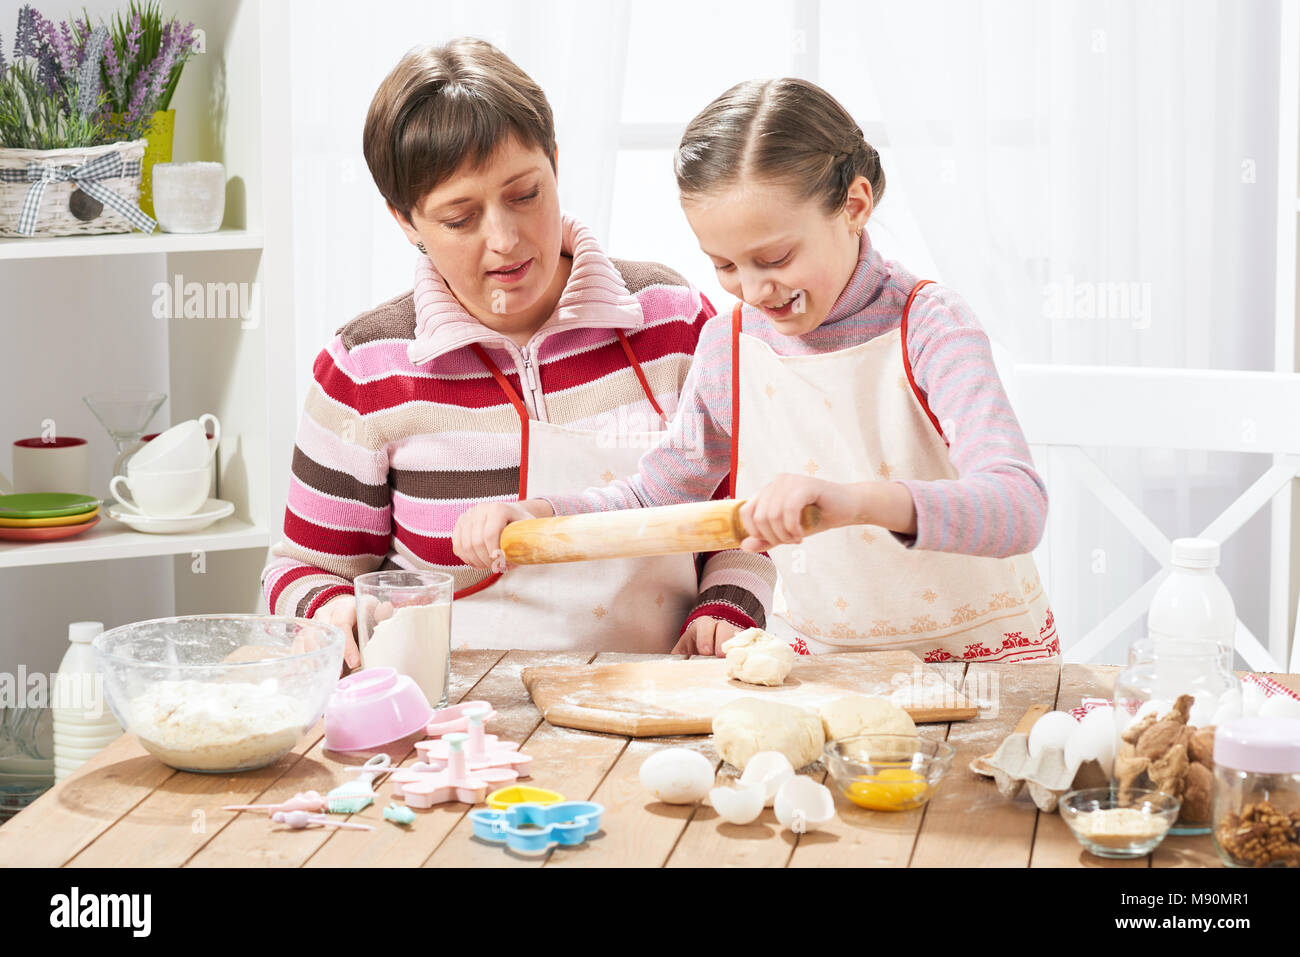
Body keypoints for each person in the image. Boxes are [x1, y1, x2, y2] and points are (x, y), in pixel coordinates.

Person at [454, 77, 1057, 664]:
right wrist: (541, 513)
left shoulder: (929, 327)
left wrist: (854, 504)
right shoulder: (730, 346)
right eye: (725, 265)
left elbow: (1017, 507)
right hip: (827, 673)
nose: (754, 289)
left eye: (774, 257)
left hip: (978, 675)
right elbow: (654, 496)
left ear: (855, 205)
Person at [261, 40, 774, 669]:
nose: (503, 241)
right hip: (463, 726)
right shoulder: (367, 368)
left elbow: (750, 512)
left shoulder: (672, 319)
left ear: (555, 164)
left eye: (525, 194)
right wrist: (328, 610)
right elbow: (298, 571)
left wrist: (727, 604)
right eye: (459, 217)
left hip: (659, 704)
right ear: (405, 221)